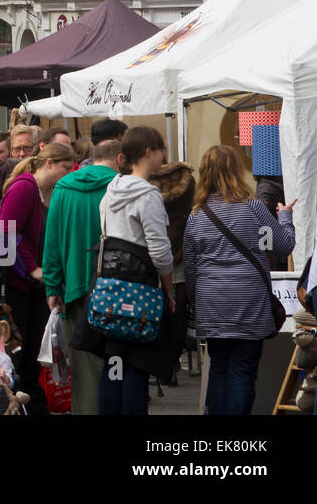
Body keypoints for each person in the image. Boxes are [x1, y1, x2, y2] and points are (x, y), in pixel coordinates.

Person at [184, 144, 296, 415]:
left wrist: (197, 302)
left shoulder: (196, 215)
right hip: (248, 303)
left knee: (219, 367)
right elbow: (283, 246)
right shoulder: (254, 209)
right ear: (236, 171)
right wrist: (285, 217)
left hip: (212, 304)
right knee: (242, 370)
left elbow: (191, 267)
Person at [74, 126, 176, 416]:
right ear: (148, 153)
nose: (163, 156)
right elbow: (158, 248)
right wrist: (168, 287)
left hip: (109, 287)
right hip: (140, 287)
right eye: (160, 150)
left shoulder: (111, 190)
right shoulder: (148, 195)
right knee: (136, 364)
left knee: (114, 360)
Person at [0, 141, 75, 414]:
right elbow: (3, 235)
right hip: (18, 286)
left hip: (34, 286)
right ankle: (24, 403)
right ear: (48, 162)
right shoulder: (25, 187)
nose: (68, 172)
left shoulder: (45, 190)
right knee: (22, 349)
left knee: (32, 351)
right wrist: (30, 268)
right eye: (65, 167)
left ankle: (30, 402)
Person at [43, 137, 121, 415]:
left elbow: (51, 243)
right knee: (118, 369)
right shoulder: (121, 187)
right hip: (119, 290)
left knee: (86, 373)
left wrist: (52, 287)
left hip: (76, 289)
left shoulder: (63, 187)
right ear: (120, 158)